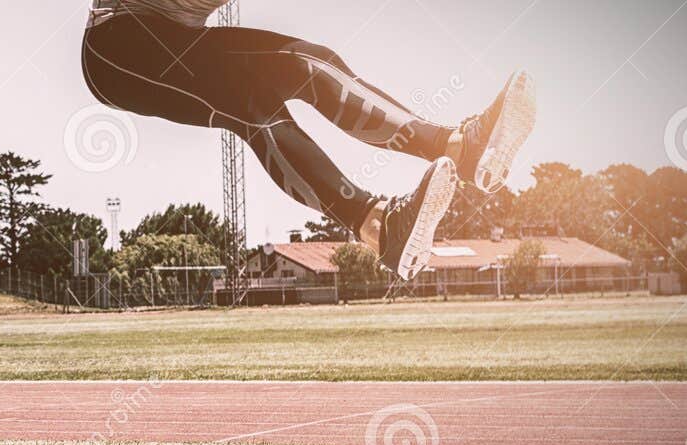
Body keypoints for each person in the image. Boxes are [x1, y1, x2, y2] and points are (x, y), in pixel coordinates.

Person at [81, 0, 536, 279]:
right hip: (119, 44)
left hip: (171, 36)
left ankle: (446, 161)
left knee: (303, 67)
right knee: (264, 96)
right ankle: (388, 215)